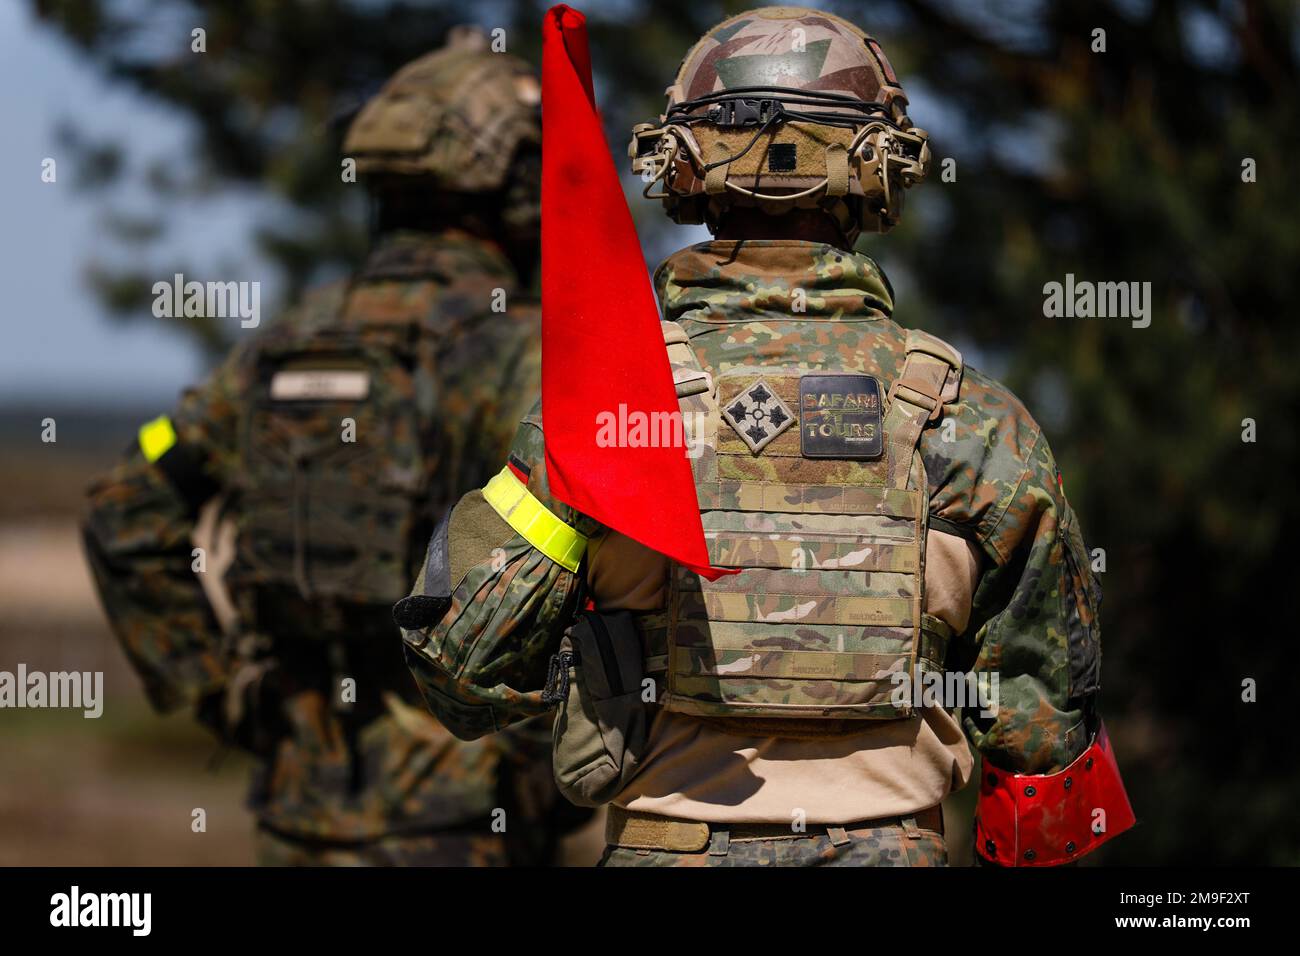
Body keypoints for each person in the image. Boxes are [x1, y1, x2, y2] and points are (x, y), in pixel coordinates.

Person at [398, 6, 1133, 867]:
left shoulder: (610, 407)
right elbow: (1047, 756)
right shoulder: (974, 422)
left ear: (683, 168)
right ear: (881, 170)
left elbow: (460, 664)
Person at [82, 27, 583, 866]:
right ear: (521, 187)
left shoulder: (279, 347)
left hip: (298, 811)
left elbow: (125, 506)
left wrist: (218, 692)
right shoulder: (527, 351)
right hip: (469, 817)